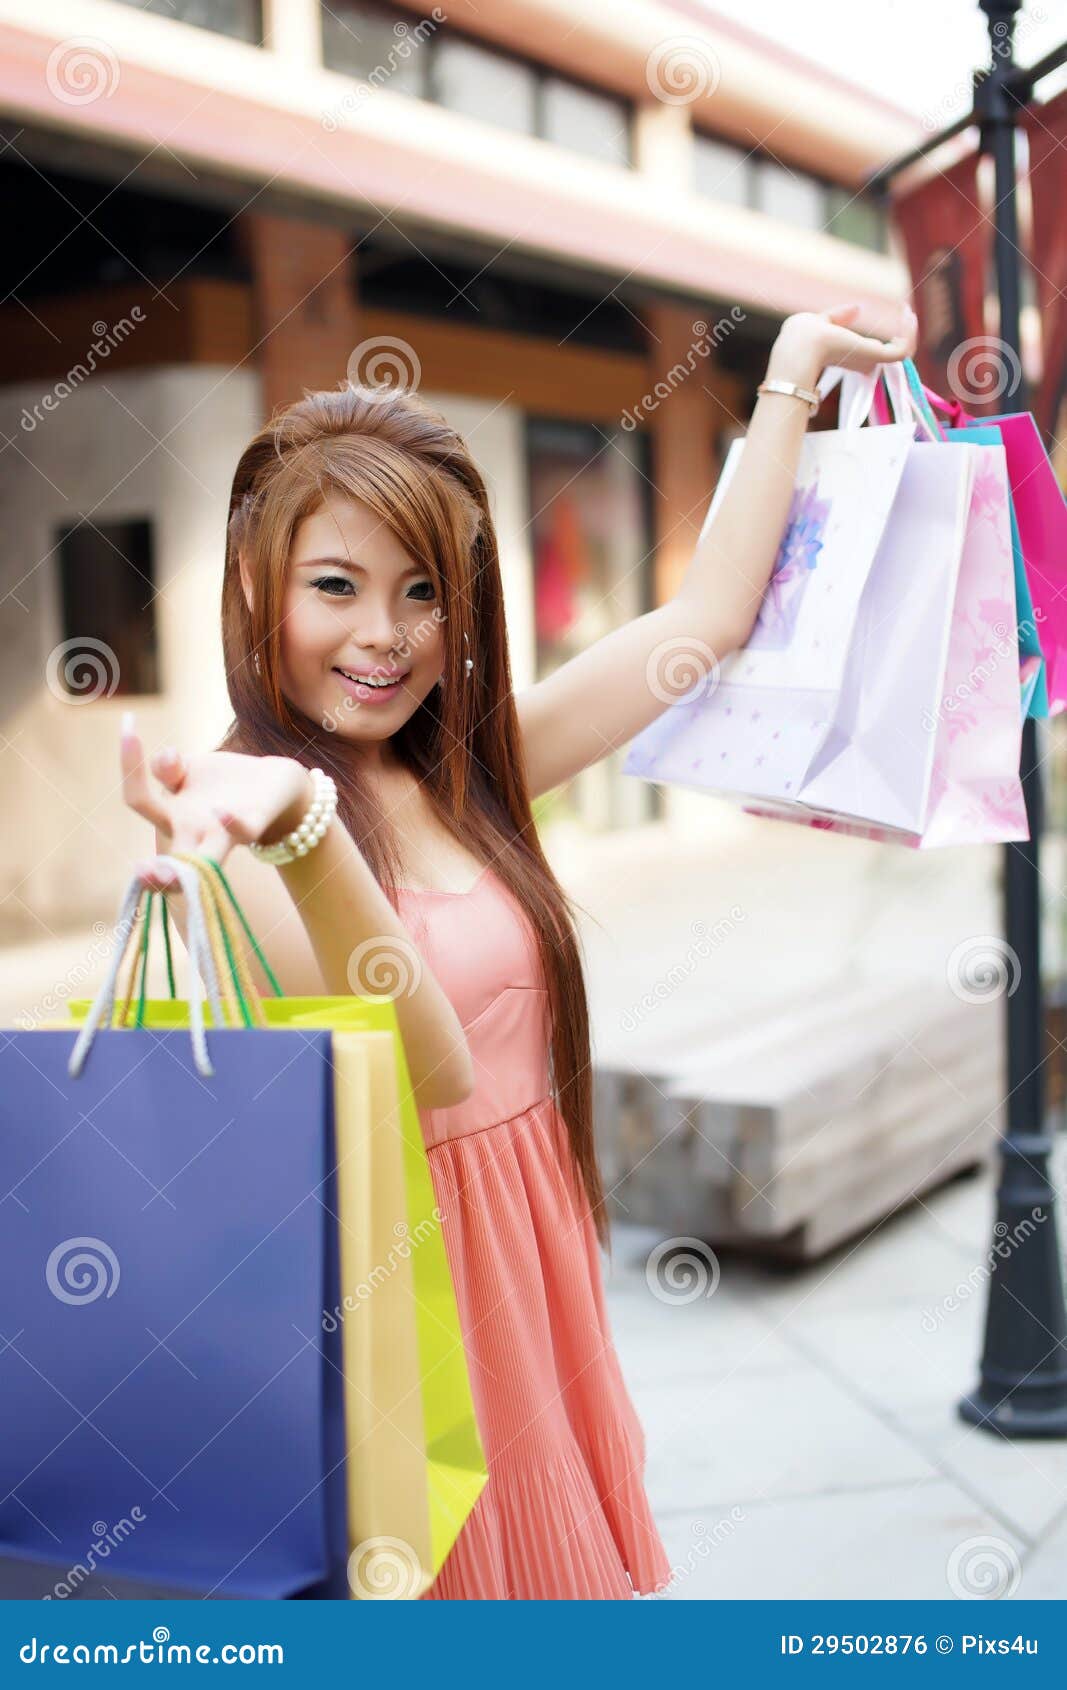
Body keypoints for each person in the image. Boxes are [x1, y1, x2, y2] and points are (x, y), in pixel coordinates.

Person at [120, 300, 918, 1600]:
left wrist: (786, 382)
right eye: (338, 585)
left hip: (531, 1250)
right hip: (411, 1296)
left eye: (424, 592)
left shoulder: (463, 773)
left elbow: (703, 626)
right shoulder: (241, 811)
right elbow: (424, 1061)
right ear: (256, 586)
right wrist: (306, 833)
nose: (386, 634)